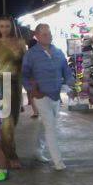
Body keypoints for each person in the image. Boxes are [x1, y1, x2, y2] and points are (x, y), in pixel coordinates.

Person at [22, 23, 74, 171]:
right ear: (37, 36)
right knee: (50, 126)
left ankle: (37, 150)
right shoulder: (31, 54)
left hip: (56, 95)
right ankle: (58, 162)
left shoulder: (58, 52)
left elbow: (67, 71)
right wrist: (32, 90)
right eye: (44, 34)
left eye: (49, 33)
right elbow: (24, 75)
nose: (48, 36)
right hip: (41, 95)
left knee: (45, 123)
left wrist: (72, 86)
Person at [0, 16, 27, 168]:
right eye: (2, 26)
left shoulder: (21, 43)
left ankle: (5, 151)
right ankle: (11, 156)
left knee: (14, 120)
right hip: (0, 83)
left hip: (16, 83)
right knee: (7, 122)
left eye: (7, 26)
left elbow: (27, 65)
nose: (4, 29)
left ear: (12, 27)